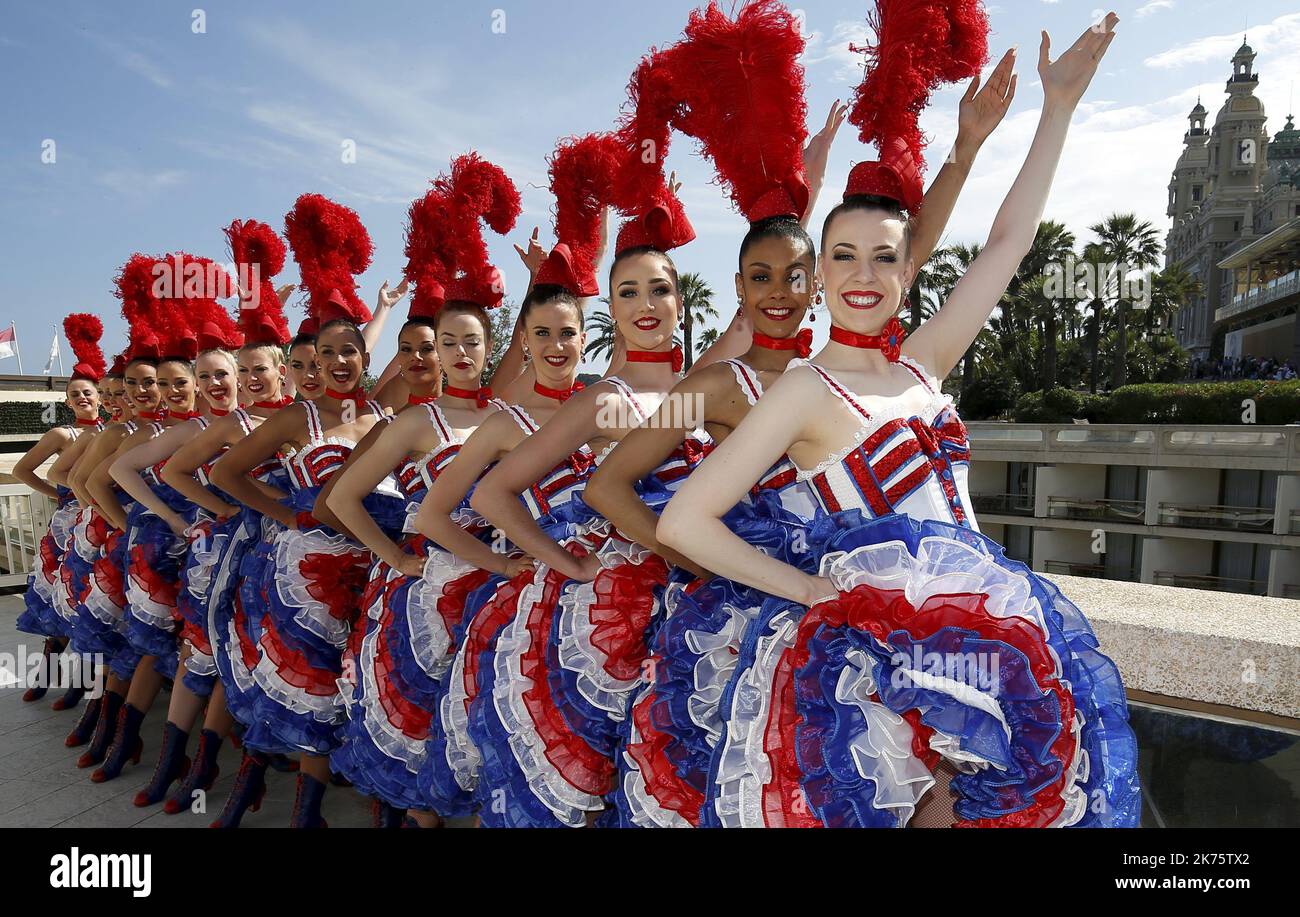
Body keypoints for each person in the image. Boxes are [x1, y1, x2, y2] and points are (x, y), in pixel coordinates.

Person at [658, 11, 1141, 828]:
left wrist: (1058, 109)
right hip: (877, 668)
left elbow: (1008, 244)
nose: (862, 272)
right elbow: (682, 519)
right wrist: (810, 590)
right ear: (819, 277)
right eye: (842, 256)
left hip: (979, 646)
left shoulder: (925, 364)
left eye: (884, 255)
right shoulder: (804, 389)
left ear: (909, 269)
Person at [583, 4, 1015, 826]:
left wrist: (962, 152)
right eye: (760, 277)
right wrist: (702, 565)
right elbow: (611, 482)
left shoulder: (845, 370)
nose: (780, 292)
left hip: (861, 598)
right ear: (740, 288)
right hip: (760, 606)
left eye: (794, 275)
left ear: (817, 282)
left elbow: (902, 248)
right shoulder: (713, 385)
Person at [15, 314, 107, 710]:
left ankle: (87, 686)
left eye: (88, 393)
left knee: (94, 602)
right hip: (72, 525)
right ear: (67, 401)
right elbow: (23, 470)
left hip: (104, 522)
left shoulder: (115, 430)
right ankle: (50, 672)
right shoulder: (62, 435)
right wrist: (58, 494)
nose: (83, 399)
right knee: (64, 599)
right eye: (75, 395)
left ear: (100, 394)